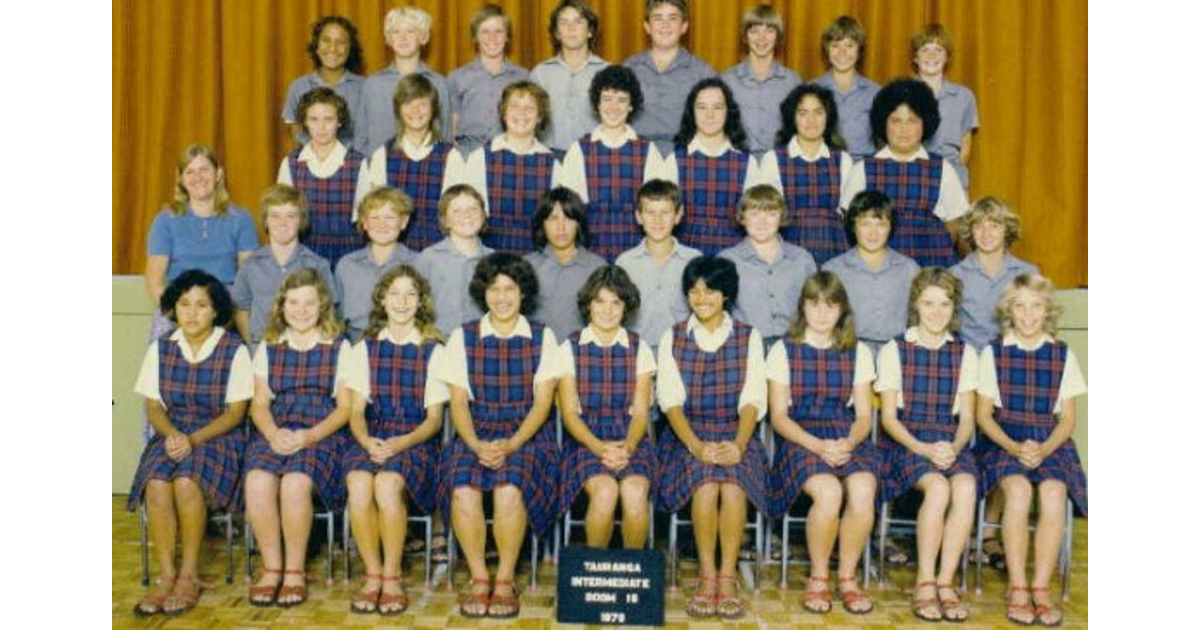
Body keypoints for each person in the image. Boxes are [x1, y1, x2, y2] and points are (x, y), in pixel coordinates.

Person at [437, 253, 560, 619]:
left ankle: (505, 579)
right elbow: (458, 403)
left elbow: (542, 404)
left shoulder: (543, 337)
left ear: (523, 294)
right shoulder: (463, 336)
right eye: (494, 289)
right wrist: (476, 444)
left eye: (510, 289)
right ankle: (478, 578)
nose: (502, 297)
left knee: (509, 487)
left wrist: (511, 444)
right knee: (463, 487)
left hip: (526, 434)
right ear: (483, 293)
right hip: (476, 432)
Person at [129, 270, 253, 616]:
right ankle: (166, 576)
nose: (192, 312)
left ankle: (189, 575)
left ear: (216, 311)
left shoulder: (233, 349)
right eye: (184, 304)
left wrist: (193, 439)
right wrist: (172, 434)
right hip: (172, 432)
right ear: (173, 309)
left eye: (201, 305)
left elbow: (235, 414)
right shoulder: (162, 348)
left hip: (217, 435)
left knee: (186, 481)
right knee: (156, 483)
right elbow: (153, 406)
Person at [656, 256, 768, 620]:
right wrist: (695, 446)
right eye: (694, 290)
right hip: (687, 434)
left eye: (710, 290)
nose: (701, 297)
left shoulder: (749, 336)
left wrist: (738, 444)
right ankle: (706, 575)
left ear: (726, 294)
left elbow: (753, 399)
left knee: (733, 486)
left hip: (737, 431)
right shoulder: (672, 335)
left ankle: (728, 575)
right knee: (705, 484)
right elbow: (671, 404)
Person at [975, 273, 1087, 627]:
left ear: (1047, 311)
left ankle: (1040, 587)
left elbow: (1067, 419)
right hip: (1004, 439)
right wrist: (1013, 446)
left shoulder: (1062, 354)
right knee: (1019, 492)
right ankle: (1018, 586)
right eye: (1020, 306)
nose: (1027, 314)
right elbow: (983, 415)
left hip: (1049, 440)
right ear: (1009, 310)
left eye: (1036, 306)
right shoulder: (993, 352)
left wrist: (1043, 448)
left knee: (1054, 493)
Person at [766, 271, 877, 615]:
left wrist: (847, 442)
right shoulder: (784, 350)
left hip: (843, 434)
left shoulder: (857, 352)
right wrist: (818, 446)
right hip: (801, 437)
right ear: (803, 307)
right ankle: (818, 577)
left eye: (831, 305)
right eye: (814, 304)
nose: (822, 313)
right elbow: (779, 418)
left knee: (862, 487)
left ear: (842, 310)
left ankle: (846, 577)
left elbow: (862, 417)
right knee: (829, 492)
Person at [244, 269, 353, 608]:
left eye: (309, 302)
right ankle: (272, 568)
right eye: (293, 302)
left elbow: (345, 408)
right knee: (258, 480)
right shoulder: (269, 346)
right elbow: (259, 404)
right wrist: (273, 434)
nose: (301, 310)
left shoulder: (339, 346)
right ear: (281, 305)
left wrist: (309, 436)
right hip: (278, 430)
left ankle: (294, 571)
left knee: (294, 482)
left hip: (321, 434)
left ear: (322, 306)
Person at [343, 266, 448, 615]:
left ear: (420, 302)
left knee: (387, 485)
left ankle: (392, 574)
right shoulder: (365, 348)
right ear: (382, 300)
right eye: (395, 294)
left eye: (410, 294)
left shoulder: (434, 349)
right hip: (373, 435)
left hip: (415, 439)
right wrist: (366, 440)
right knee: (359, 483)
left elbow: (433, 420)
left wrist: (400, 444)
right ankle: (372, 574)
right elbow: (356, 411)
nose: (402, 302)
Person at [876, 267, 978, 622]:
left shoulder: (965, 353)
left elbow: (966, 418)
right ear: (916, 305)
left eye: (945, 304)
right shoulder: (895, 349)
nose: (937, 312)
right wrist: (923, 449)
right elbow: (889, 419)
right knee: (936, 487)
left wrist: (953, 446)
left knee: (964, 485)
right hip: (907, 442)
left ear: (954, 307)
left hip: (948, 441)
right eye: (929, 303)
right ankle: (924, 581)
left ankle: (946, 582)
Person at [557, 266, 656, 548]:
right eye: (600, 301)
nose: (608, 310)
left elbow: (640, 413)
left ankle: (631, 570)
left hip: (630, 438)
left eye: (616, 302)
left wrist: (628, 447)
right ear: (588, 305)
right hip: (585, 440)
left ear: (626, 307)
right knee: (605, 491)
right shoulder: (570, 348)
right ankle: (596, 570)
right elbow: (570, 415)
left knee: (635, 494)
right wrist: (600, 448)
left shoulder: (640, 348)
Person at [843, 78, 969, 268]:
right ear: (883, 123)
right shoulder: (863, 169)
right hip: (879, 265)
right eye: (896, 120)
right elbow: (850, 225)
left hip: (932, 262)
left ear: (925, 123)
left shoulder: (942, 169)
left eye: (912, 120)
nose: (904, 129)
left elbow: (954, 227)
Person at [144, 143, 258, 342]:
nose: (198, 178)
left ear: (218, 174)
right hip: (180, 304)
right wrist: (181, 314)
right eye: (190, 172)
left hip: (225, 305)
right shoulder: (165, 220)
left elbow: (248, 278)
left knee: (245, 346)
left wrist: (221, 314)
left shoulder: (241, 218)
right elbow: (155, 282)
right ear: (181, 180)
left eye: (204, 169)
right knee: (161, 351)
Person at [556, 64, 663, 261]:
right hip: (591, 250)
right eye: (607, 99)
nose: (613, 107)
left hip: (637, 251)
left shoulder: (648, 150)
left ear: (631, 105)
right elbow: (570, 212)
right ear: (597, 103)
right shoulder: (579, 150)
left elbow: (657, 209)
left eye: (622, 100)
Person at [444, 80, 556, 255]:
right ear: (503, 113)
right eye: (514, 106)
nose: (521, 113)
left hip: (537, 258)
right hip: (488, 256)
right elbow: (466, 217)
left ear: (540, 117)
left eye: (529, 108)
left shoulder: (552, 163)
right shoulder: (479, 158)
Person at [661, 77, 765, 256]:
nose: (710, 115)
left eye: (717, 107)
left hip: (734, 255)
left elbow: (755, 219)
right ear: (691, 112)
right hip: (685, 254)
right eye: (702, 107)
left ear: (728, 112)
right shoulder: (675, 160)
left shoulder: (747, 163)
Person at [759, 83, 854, 265]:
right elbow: (769, 214)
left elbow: (850, 217)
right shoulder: (774, 159)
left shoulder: (843, 160)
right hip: (789, 251)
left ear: (828, 117)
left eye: (818, 112)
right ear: (792, 118)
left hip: (834, 248)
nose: (811, 121)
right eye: (803, 113)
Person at [277, 87, 372, 268]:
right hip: (304, 252)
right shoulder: (291, 164)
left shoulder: (358, 163)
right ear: (305, 122)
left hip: (349, 253)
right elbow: (284, 217)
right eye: (314, 119)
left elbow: (363, 219)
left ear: (339, 122)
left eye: (328, 119)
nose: (321, 127)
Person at [233, 184, 338, 345]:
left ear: (301, 220)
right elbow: (241, 309)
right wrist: (253, 346)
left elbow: (328, 312)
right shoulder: (251, 265)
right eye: (274, 216)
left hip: (305, 348)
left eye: (290, 216)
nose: (283, 223)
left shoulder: (317, 265)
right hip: (262, 347)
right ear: (265, 221)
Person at [365, 74, 455, 251]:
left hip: (437, 248)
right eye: (408, 103)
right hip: (394, 247)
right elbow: (376, 212)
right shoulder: (382, 155)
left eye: (422, 103)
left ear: (433, 108)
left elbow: (453, 214)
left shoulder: (451, 155)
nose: (416, 110)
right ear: (398, 109)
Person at [717, 184, 817, 344]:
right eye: (754, 214)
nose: (762, 221)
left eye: (771, 214)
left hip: (794, 345)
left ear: (781, 218)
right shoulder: (727, 260)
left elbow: (815, 306)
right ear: (743, 218)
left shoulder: (801, 259)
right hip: (744, 345)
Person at [822, 191, 919, 350]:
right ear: (854, 226)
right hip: (849, 351)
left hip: (898, 352)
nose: (873, 233)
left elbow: (918, 317)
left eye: (881, 225)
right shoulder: (834, 269)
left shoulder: (909, 268)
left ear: (890, 227)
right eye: (865, 224)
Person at [615, 180, 701, 352]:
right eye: (650, 212)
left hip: (685, 350)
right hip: (637, 351)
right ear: (639, 216)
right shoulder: (625, 262)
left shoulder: (694, 259)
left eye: (665, 212)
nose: (657, 219)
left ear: (678, 215)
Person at [356, 6, 450, 156]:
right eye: (396, 31)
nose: (403, 37)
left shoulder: (438, 84)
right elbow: (361, 139)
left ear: (423, 37)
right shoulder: (372, 85)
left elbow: (445, 136)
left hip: (425, 172)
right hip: (379, 173)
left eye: (411, 31)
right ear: (389, 39)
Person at [623, 0, 716, 152]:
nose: (665, 25)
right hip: (635, 154)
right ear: (647, 26)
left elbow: (715, 123)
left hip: (685, 155)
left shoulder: (703, 73)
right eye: (658, 18)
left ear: (684, 26)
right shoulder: (628, 69)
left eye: (672, 18)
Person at [950, 197, 1039, 350]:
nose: (986, 233)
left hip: (1014, 359)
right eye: (979, 226)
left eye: (994, 226)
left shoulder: (1027, 273)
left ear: (1007, 230)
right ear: (970, 231)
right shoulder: (955, 274)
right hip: (970, 362)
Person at [334, 187, 418, 341]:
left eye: (389, 217)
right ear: (364, 223)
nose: (382, 224)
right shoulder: (347, 265)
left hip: (404, 341)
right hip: (355, 341)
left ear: (404, 222)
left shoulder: (418, 264)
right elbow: (337, 316)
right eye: (375, 218)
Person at [524, 187, 606, 339]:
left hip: (583, 354)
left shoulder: (597, 267)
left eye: (568, 218)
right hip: (536, 353)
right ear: (543, 224)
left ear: (578, 224)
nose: (560, 227)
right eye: (553, 218)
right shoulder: (527, 266)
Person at [529, 0, 609, 156]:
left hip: (594, 155)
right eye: (564, 22)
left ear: (590, 31)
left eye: (578, 22)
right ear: (557, 33)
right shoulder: (540, 73)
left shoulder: (607, 71)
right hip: (548, 156)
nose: (571, 29)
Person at [719, 4, 800, 156]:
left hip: (780, 164)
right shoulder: (727, 80)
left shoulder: (792, 81)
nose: (761, 38)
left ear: (778, 36)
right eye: (754, 31)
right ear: (745, 35)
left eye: (769, 31)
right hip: (738, 163)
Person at [447, 3, 529, 151]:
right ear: (475, 37)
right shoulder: (457, 78)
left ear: (507, 37)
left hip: (510, 152)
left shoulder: (523, 77)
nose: (492, 37)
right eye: (485, 32)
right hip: (468, 154)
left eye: (499, 31)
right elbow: (451, 129)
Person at [415, 184, 495, 337]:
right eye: (457, 211)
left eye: (473, 209)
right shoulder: (429, 258)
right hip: (439, 340)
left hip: (481, 342)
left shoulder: (494, 260)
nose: (466, 215)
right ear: (445, 220)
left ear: (484, 215)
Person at [912, 24, 978, 191]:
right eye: (925, 49)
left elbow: (965, 147)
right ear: (915, 57)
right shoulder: (901, 92)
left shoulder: (964, 96)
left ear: (947, 57)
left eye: (939, 50)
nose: (932, 55)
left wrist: (950, 178)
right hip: (913, 176)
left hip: (953, 178)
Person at [282, 16, 365, 145]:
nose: (333, 48)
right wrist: (322, 155)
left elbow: (370, 135)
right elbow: (296, 131)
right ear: (316, 45)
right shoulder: (299, 87)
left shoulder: (366, 88)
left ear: (350, 48)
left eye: (341, 42)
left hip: (354, 163)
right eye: (326, 40)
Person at [809, 16, 880, 160]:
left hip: (863, 168)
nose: (842, 52)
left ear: (859, 50)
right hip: (824, 166)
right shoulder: (811, 90)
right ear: (826, 49)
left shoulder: (875, 92)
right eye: (835, 46)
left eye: (849, 46)